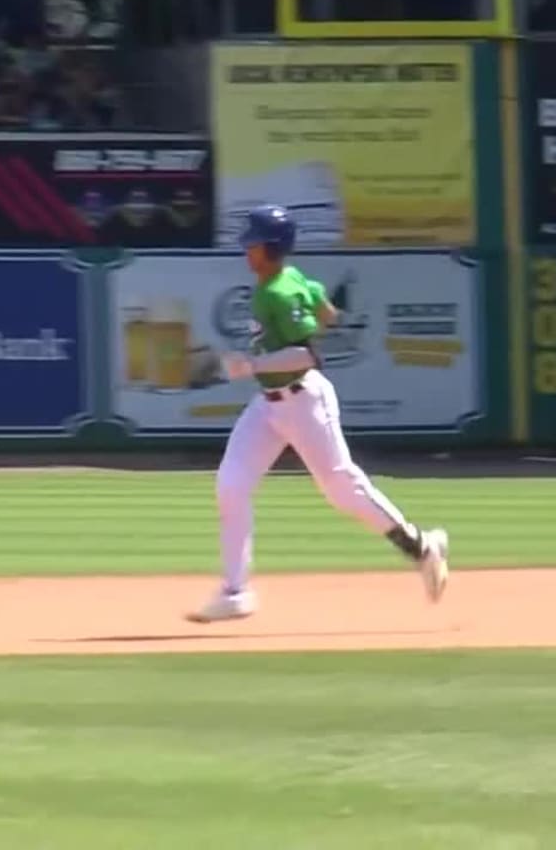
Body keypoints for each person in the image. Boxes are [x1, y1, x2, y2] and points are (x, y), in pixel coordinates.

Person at [186, 204, 450, 623]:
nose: (246, 248)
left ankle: (421, 547)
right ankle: (235, 591)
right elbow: (322, 304)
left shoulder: (278, 291)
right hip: (269, 407)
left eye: (252, 242)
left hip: (305, 401)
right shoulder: (282, 281)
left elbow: (307, 355)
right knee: (231, 484)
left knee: (340, 487)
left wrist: (252, 365)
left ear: (269, 247)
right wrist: (322, 311)